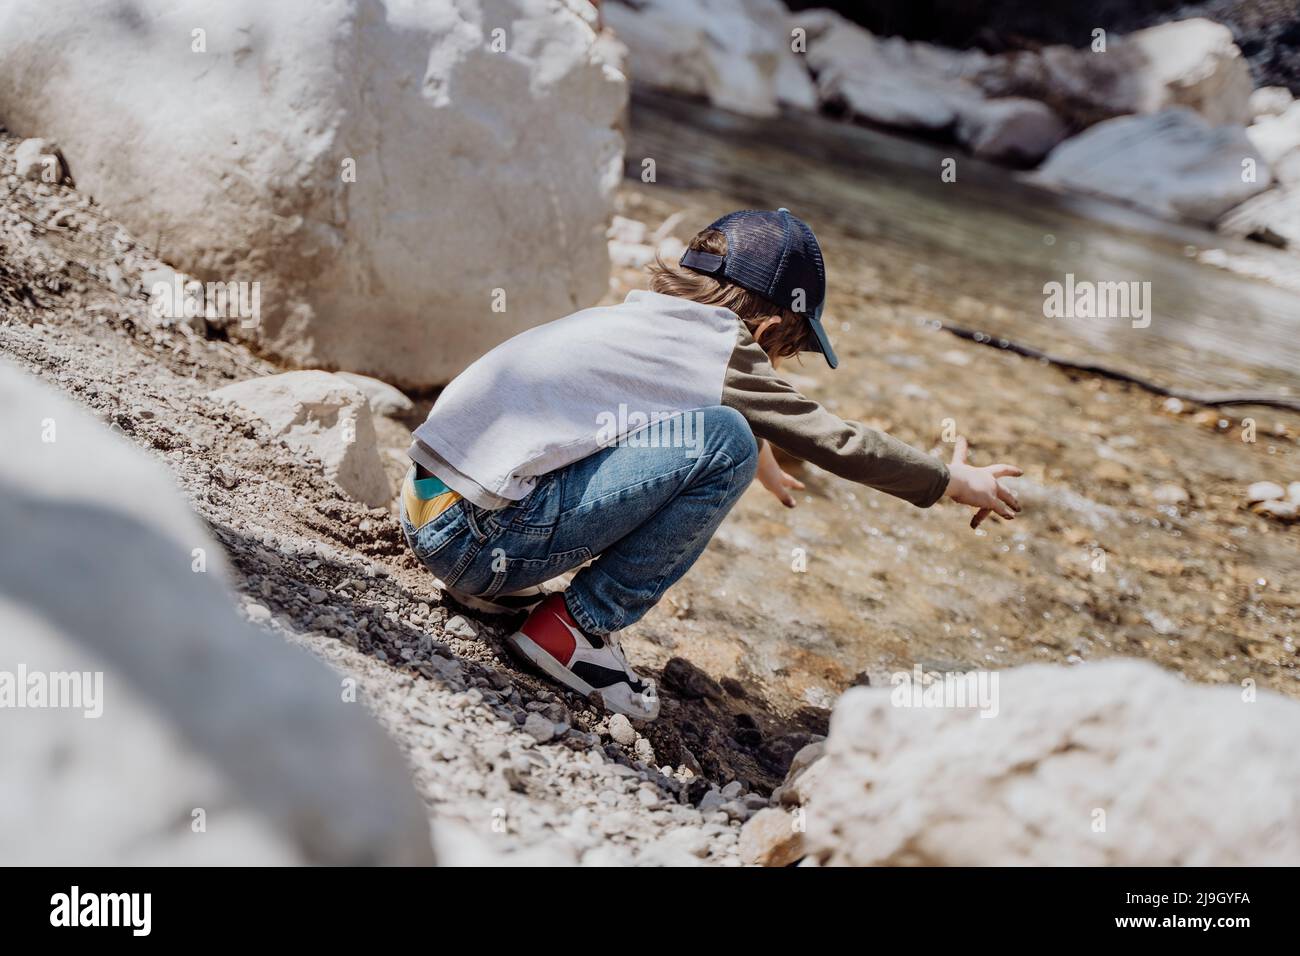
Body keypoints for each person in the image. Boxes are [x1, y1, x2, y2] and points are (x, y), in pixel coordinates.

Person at [400, 209, 1021, 719]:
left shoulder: (644, 318)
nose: (775, 367)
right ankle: (574, 632)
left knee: (727, 435)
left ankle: (499, 592)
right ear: (771, 324)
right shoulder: (721, 347)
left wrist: (761, 457)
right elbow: (837, 441)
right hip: (475, 544)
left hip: (428, 508)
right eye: (786, 351)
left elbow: (653, 415)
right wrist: (951, 481)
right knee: (726, 438)